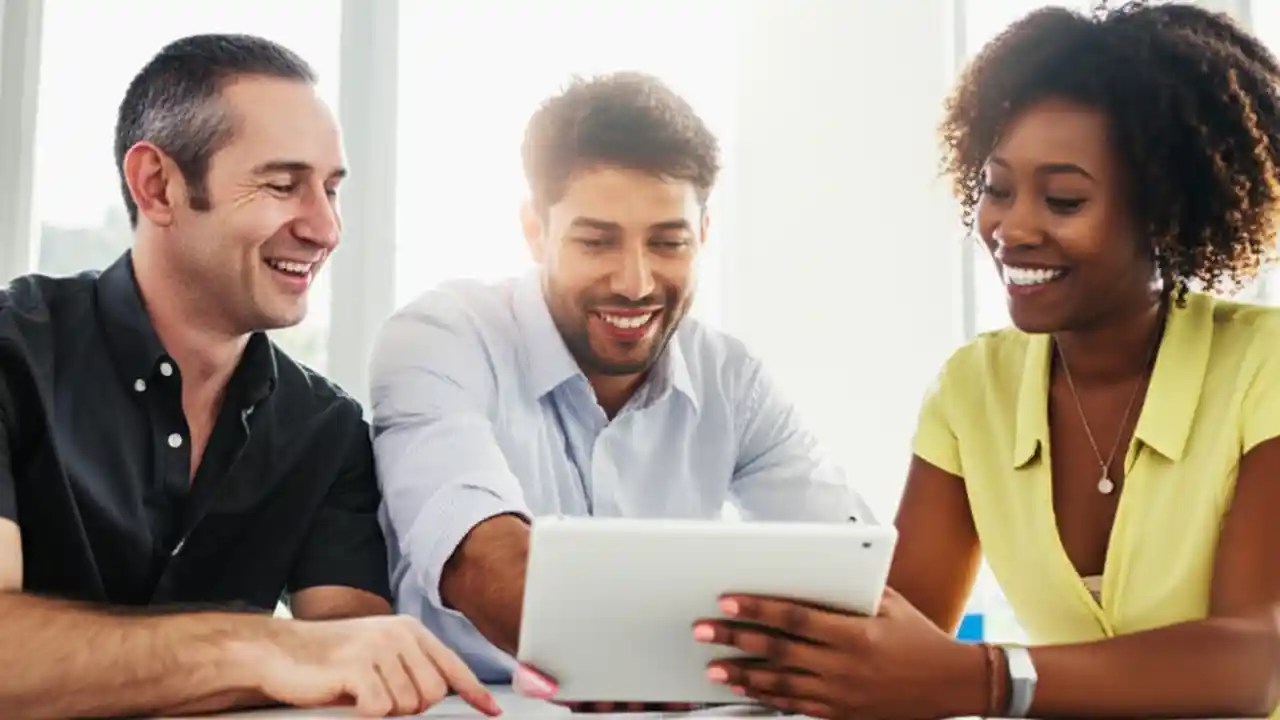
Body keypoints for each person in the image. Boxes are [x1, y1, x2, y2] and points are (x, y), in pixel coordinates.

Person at [690, 3, 1280, 719]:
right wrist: (693, 670)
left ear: (1165, 213)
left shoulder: (1264, 366)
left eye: (1063, 199)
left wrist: (987, 680)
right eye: (997, 189)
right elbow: (894, 640)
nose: (1014, 228)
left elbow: (1254, 666)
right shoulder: (976, 390)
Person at [0, 34, 499, 719]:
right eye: (281, 185)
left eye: (330, 189)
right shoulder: (11, 355)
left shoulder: (326, 430)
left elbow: (353, 657)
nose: (325, 228)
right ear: (158, 185)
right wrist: (263, 650)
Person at [370, 71, 874, 691]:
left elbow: (849, 570)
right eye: (597, 241)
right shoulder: (442, 337)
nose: (635, 282)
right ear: (536, 230)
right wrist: (651, 668)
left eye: (668, 243)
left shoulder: (731, 379)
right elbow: (481, 561)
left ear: (704, 236)